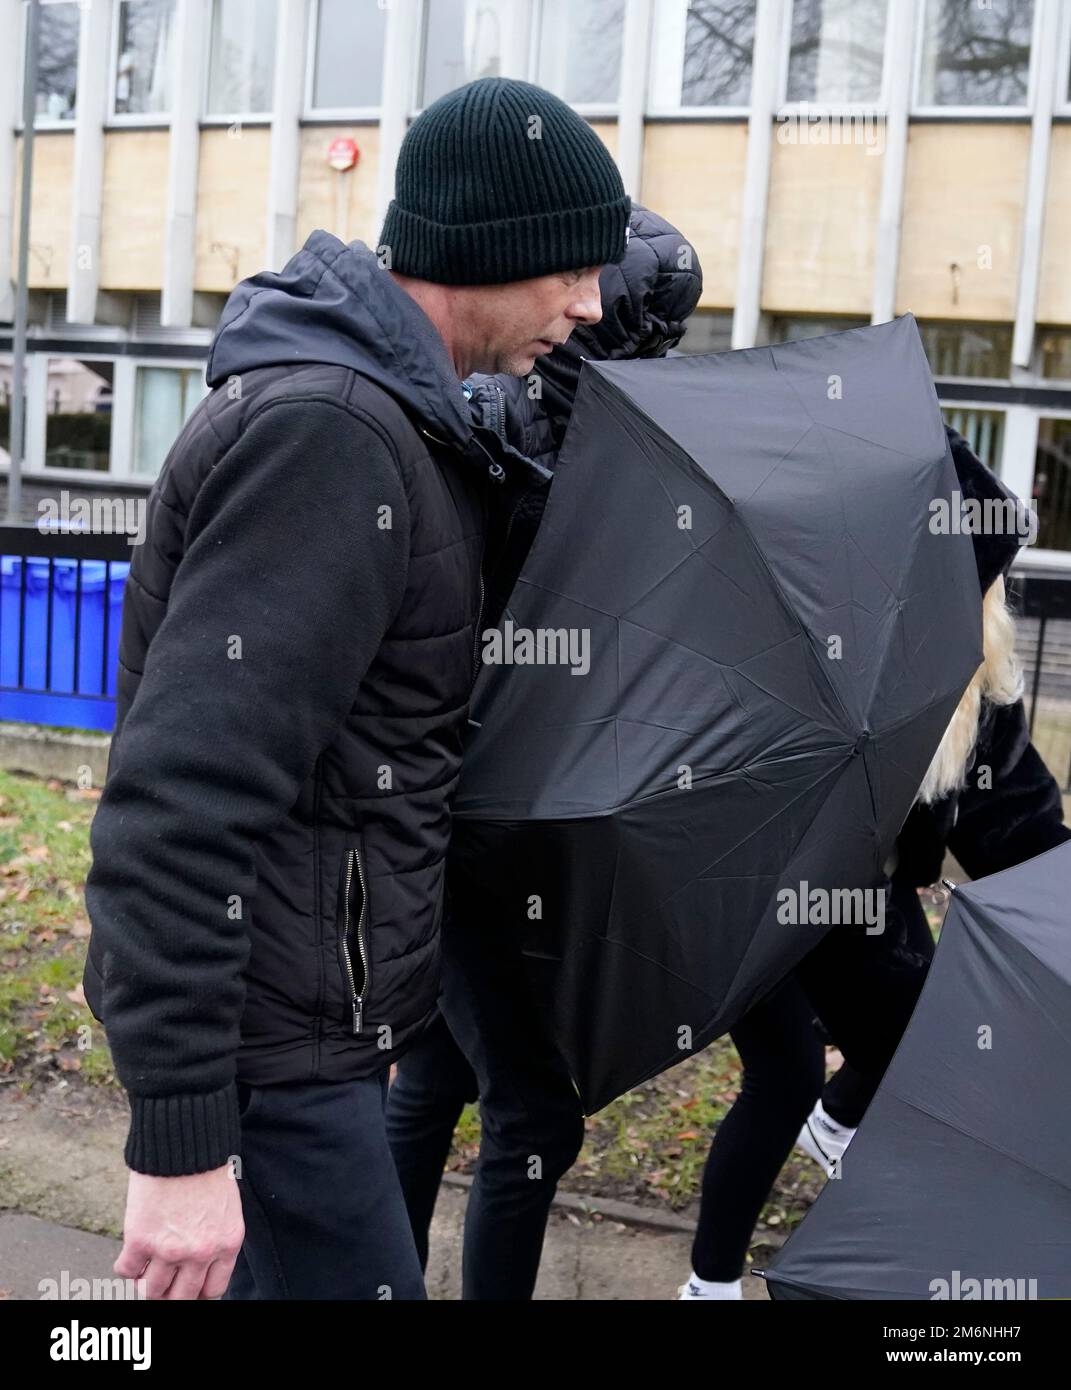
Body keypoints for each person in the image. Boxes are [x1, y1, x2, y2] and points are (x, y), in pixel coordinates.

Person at [81, 76, 630, 1302]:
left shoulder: (407, 425)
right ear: (494, 254)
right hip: (269, 1067)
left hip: (310, 1043)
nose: (589, 305)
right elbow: (179, 800)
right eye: (572, 273)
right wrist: (182, 1140)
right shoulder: (332, 437)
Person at [386, 205, 704, 1295]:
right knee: (531, 1109)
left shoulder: (568, 429)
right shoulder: (517, 427)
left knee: (432, 1076)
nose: (574, 315)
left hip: (472, 810)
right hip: (467, 816)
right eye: (653, 328)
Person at [678, 434, 1070, 1300]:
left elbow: (1019, 822)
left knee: (932, 1027)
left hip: (865, 894)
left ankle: (842, 1119)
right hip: (754, 891)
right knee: (781, 1075)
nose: (988, 598)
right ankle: (707, 1287)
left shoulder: (971, 668)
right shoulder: (816, 648)